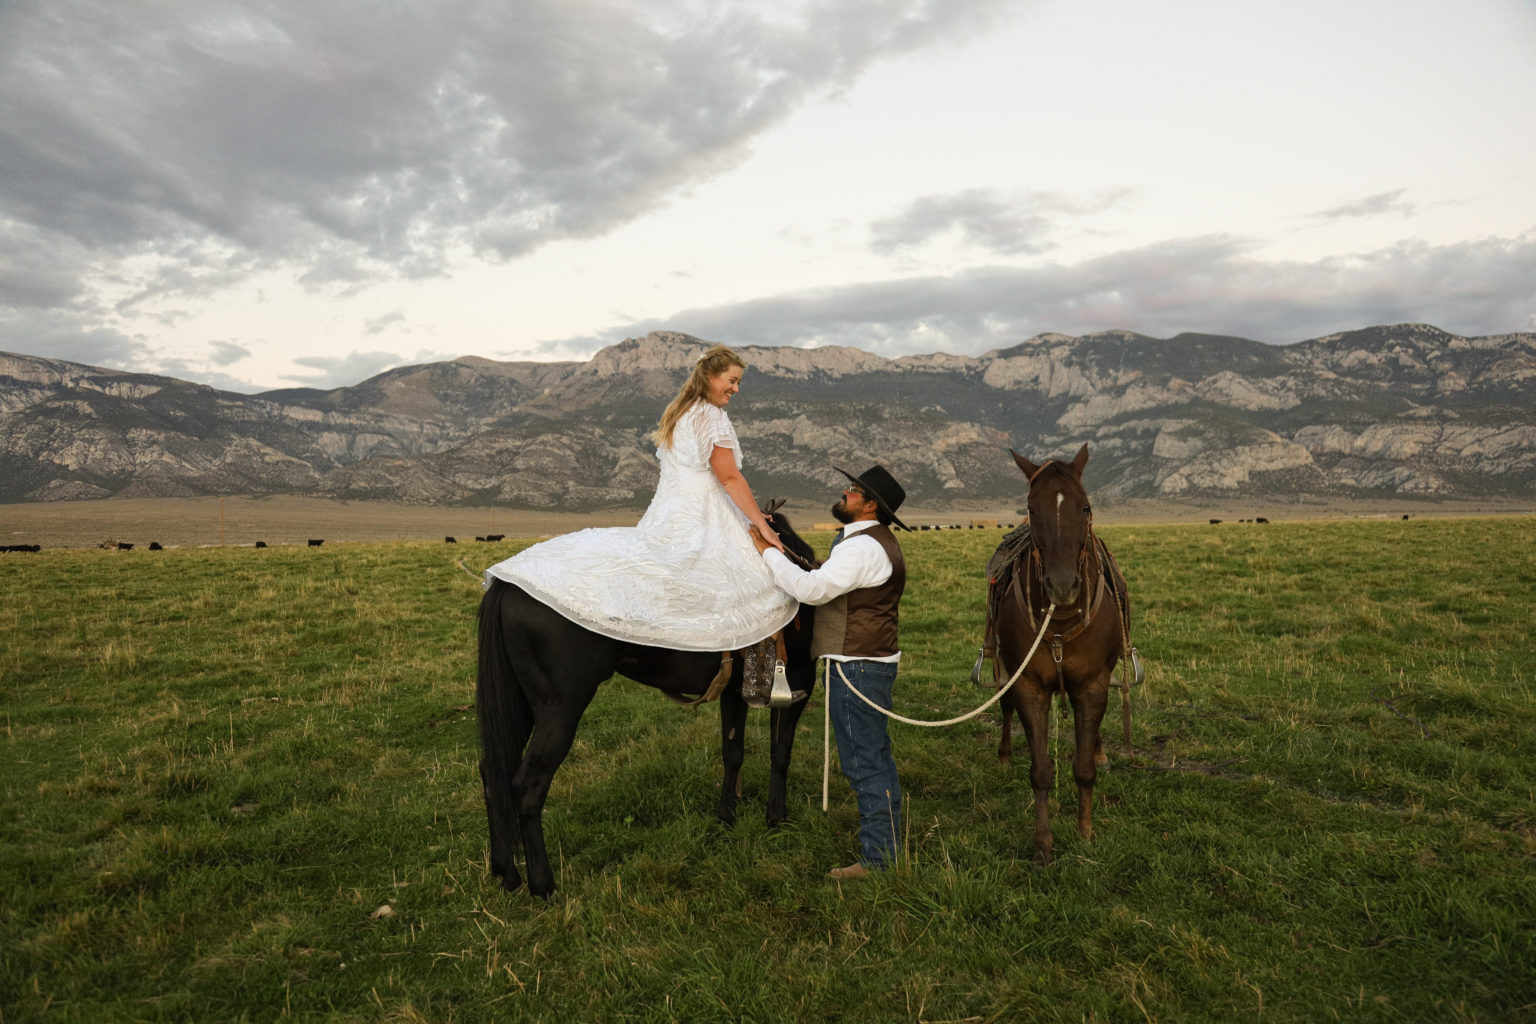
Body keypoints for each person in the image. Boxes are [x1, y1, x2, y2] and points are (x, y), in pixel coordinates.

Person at [484, 345, 797, 658]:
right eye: (731, 380)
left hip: (670, 512)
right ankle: (759, 670)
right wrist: (760, 524)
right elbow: (729, 479)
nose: (736, 388)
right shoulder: (711, 416)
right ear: (710, 377)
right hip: (705, 513)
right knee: (760, 582)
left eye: (738, 382)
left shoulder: (681, 412)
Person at [750, 465, 910, 879]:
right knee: (875, 756)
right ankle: (888, 843)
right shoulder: (870, 542)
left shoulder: (862, 548)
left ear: (870, 504)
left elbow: (812, 590)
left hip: (856, 667)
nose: (845, 492)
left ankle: (877, 860)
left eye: (853, 490)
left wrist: (767, 550)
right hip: (866, 662)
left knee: (863, 763)